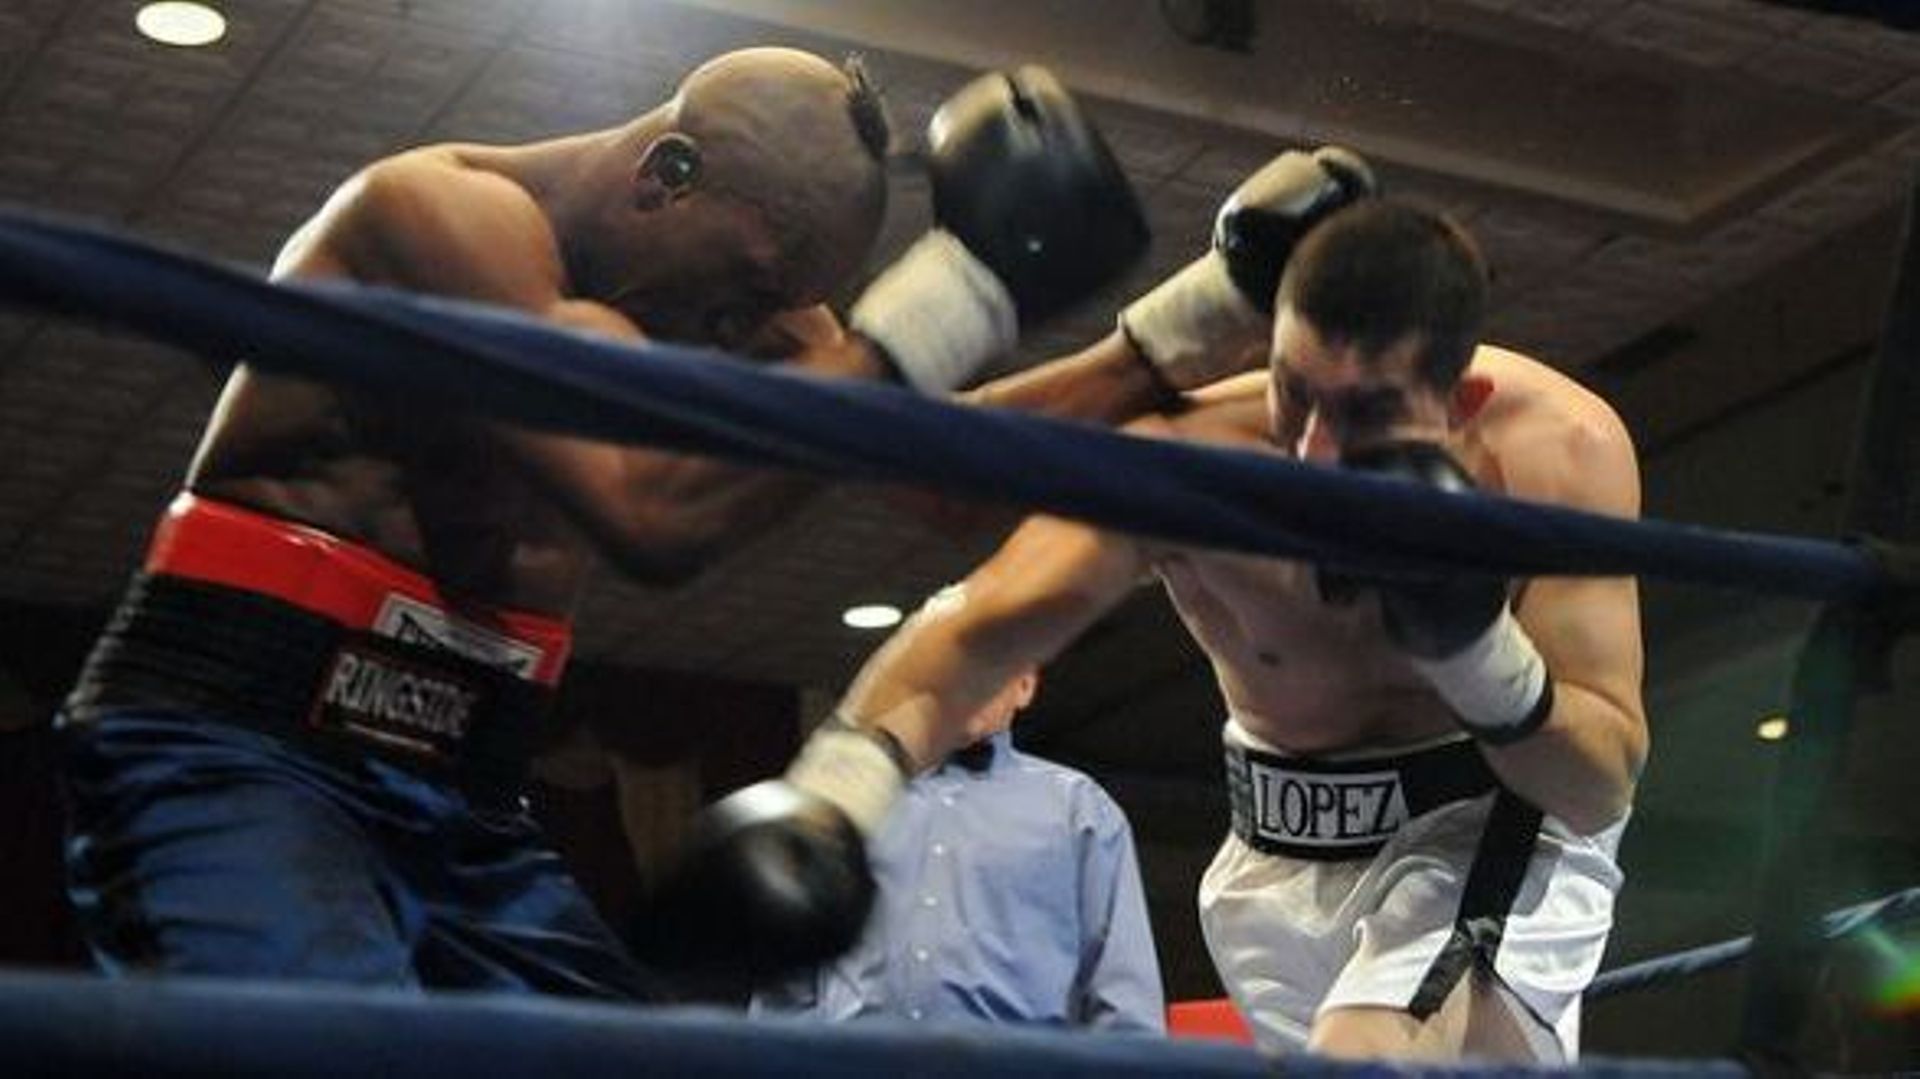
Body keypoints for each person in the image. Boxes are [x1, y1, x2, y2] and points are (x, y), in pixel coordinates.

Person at [52, 48, 1178, 998]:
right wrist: (946, 298)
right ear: (666, 173)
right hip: (244, 743)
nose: (736, 331)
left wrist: (1174, 327)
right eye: (739, 295)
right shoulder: (436, 216)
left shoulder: (745, 291)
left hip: (468, 788)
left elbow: (937, 466)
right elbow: (652, 517)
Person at [723, 200, 1648, 1061]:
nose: (1314, 450)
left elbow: (1598, 783)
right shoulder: (1193, 462)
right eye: (1296, 391)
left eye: (1366, 412)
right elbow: (978, 634)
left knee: (1368, 1056)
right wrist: (832, 797)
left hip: (1481, 825)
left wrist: (1474, 650)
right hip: (1271, 857)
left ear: (1462, 402)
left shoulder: (1558, 453)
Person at [749, 657, 1163, 1031]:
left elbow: (1123, 998)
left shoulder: (1079, 809)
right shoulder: (850, 801)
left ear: (1024, 685)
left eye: (989, 664)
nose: (970, 682)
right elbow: (788, 981)